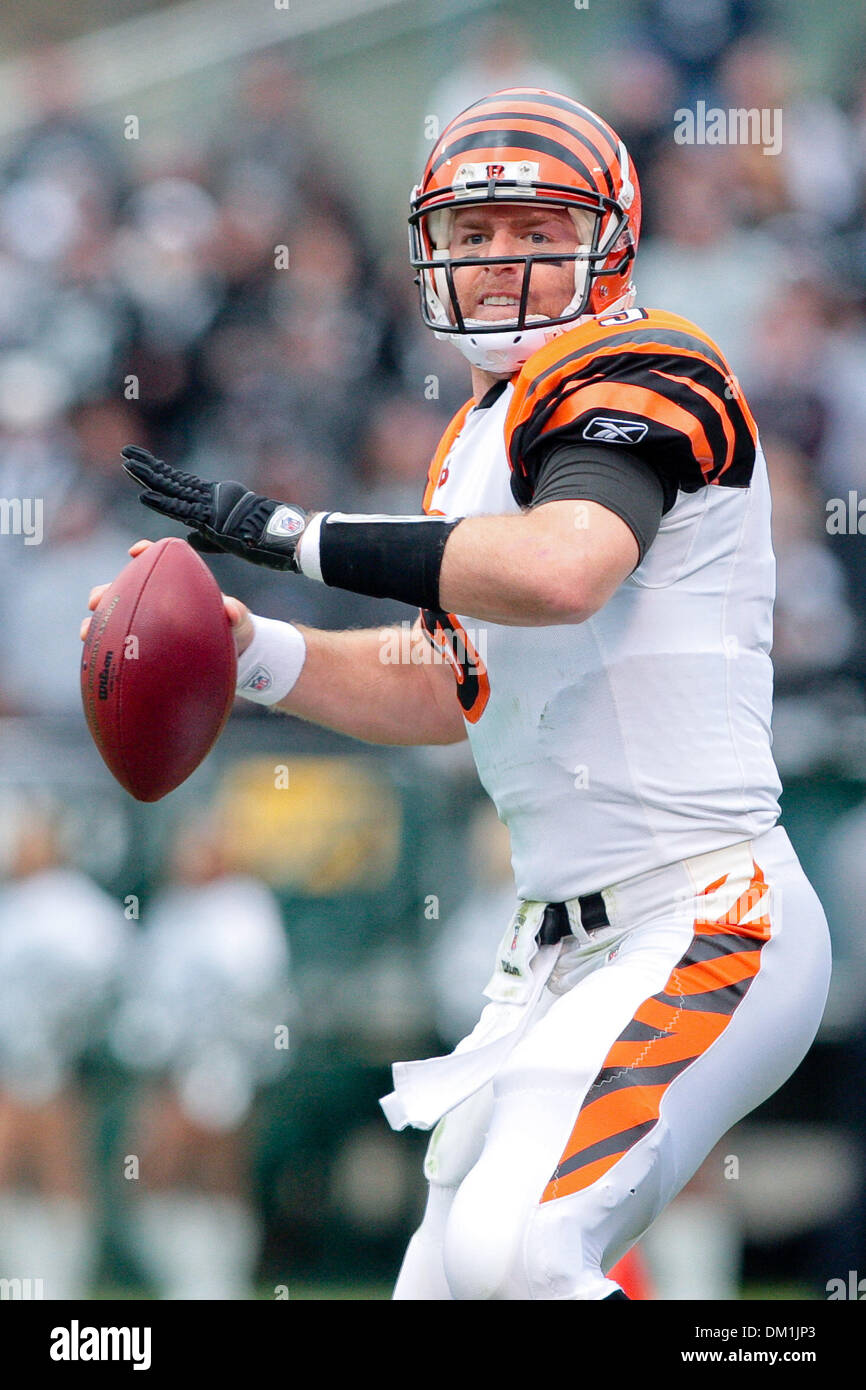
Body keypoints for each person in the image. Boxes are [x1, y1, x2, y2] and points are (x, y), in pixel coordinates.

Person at [84, 89, 832, 1301]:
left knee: (517, 1255)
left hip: (703, 912)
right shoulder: (477, 433)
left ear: (607, 233)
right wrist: (250, 649)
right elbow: (457, 684)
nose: (497, 264)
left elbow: (565, 568)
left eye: (530, 227)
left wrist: (291, 535)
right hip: (552, 948)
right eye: (470, 237)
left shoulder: (641, 361)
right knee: (439, 1285)